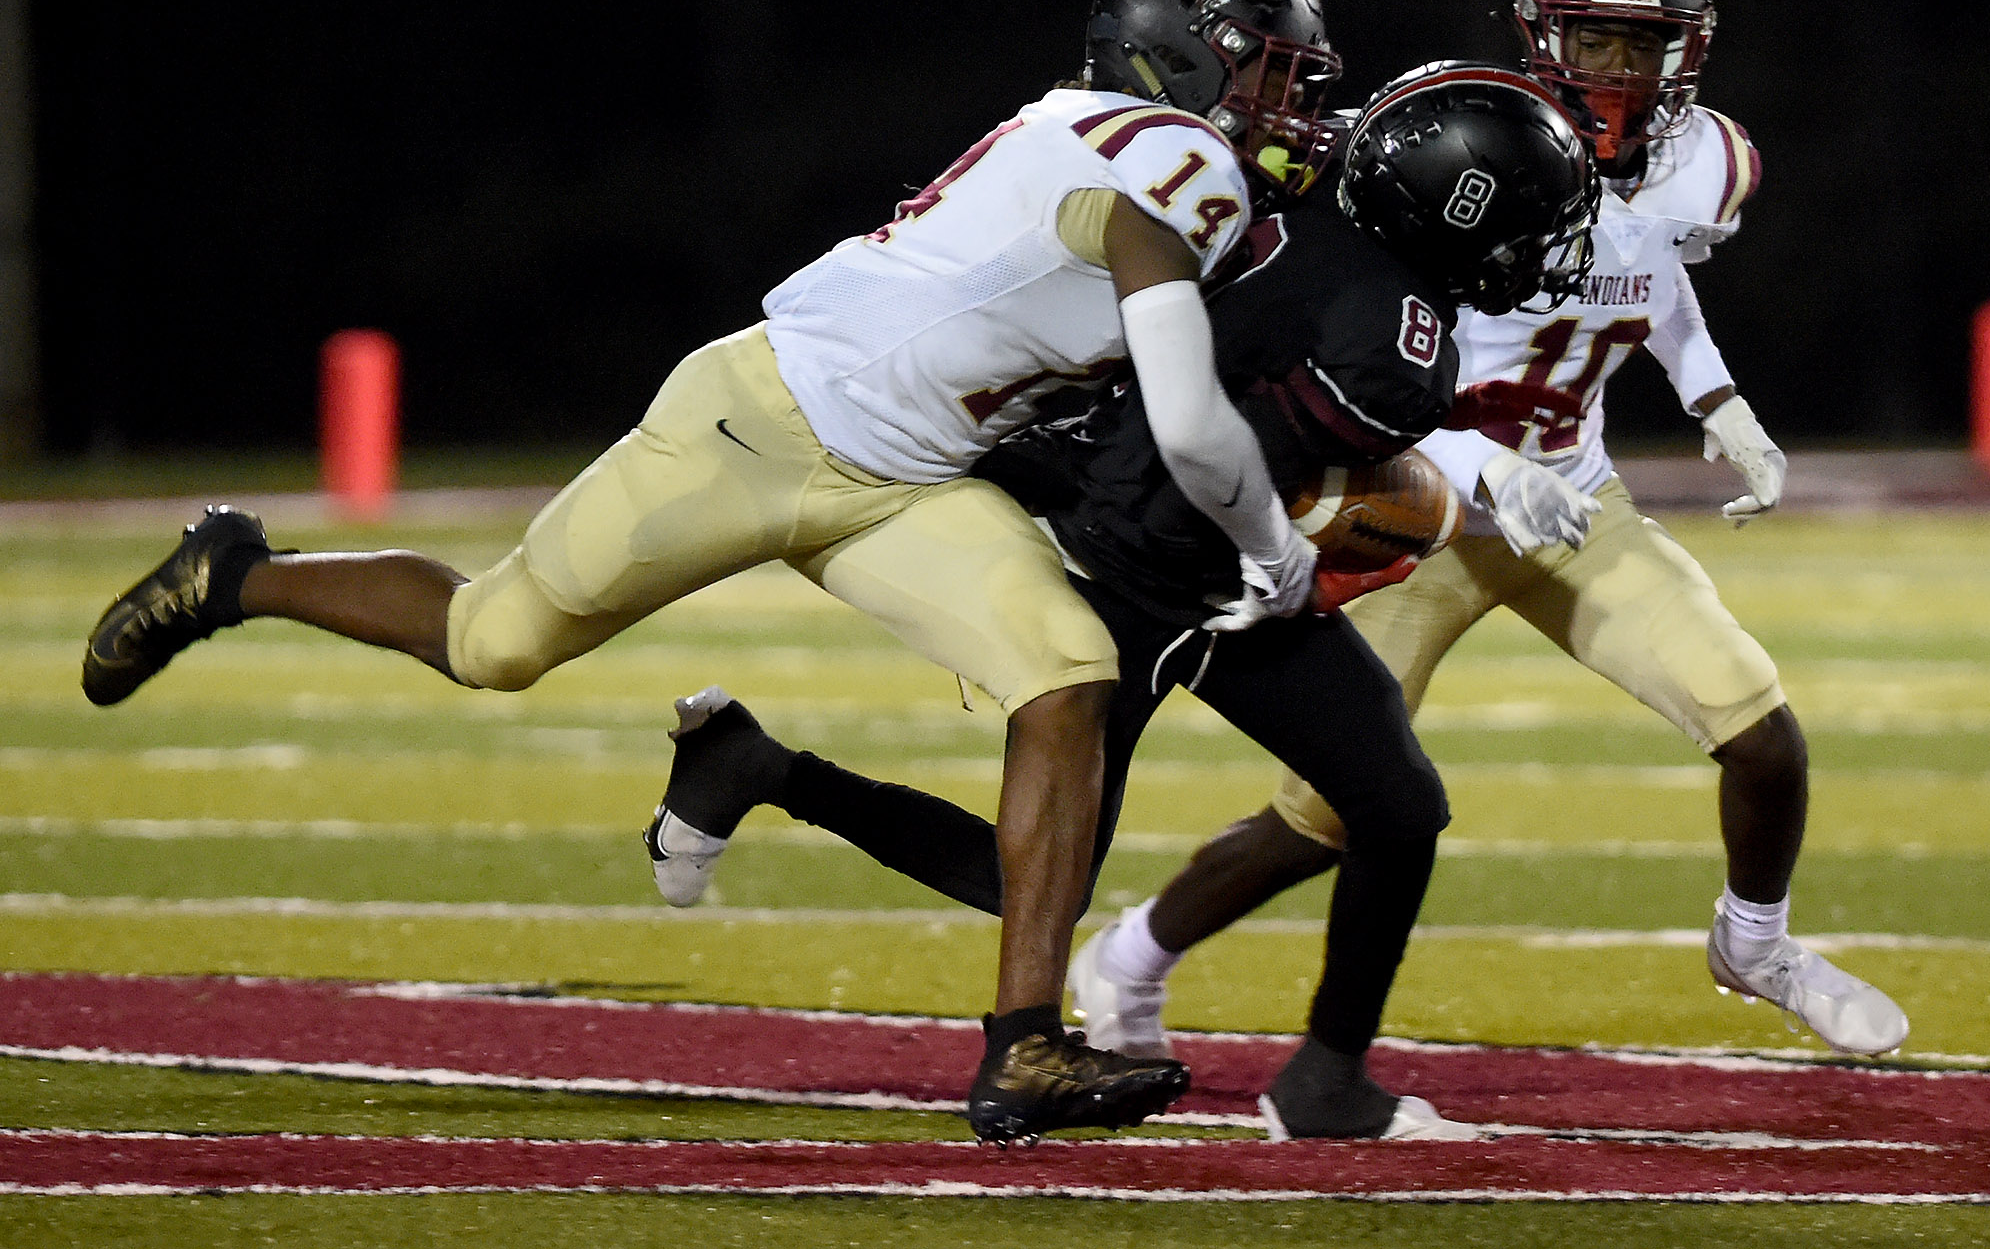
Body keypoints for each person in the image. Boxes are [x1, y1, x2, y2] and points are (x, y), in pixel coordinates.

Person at [77, 0, 1353, 1143]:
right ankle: (233, 572)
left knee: (1063, 672)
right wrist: (1270, 549)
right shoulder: (1173, 162)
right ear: (1176, 52)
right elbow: (1188, 426)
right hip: (758, 424)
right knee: (494, 639)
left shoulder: (1114, 140)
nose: (1280, 94)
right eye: (1260, 60)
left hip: (905, 479)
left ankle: (1023, 1039)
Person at [643, 62, 1601, 1140]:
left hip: (1176, 544)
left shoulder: (1294, 205)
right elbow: (1312, 487)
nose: (1538, 251)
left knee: (1394, 802)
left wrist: (1440, 473)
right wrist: (1411, 507)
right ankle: (765, 769)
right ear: (1454, 208)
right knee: (1029, 883)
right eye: (1526, 223)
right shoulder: (1394, 340)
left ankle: (1326, 1079)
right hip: (1129, 565)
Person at [1068, 0, 1910, 1063]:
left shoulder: (1707, 163)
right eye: (1593, 41)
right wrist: (1473, 463)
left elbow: (1649, 275)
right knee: (1325, 813)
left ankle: (1752, 942)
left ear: (1686, 50)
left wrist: (1718, 401)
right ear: (1538, 35)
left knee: (1761, 733)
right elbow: (1363, 340)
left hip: (1574, 503)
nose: (1616, 70)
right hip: (1416, 504)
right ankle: (1133, 953)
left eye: (1641, 44)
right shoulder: (1445, 143)